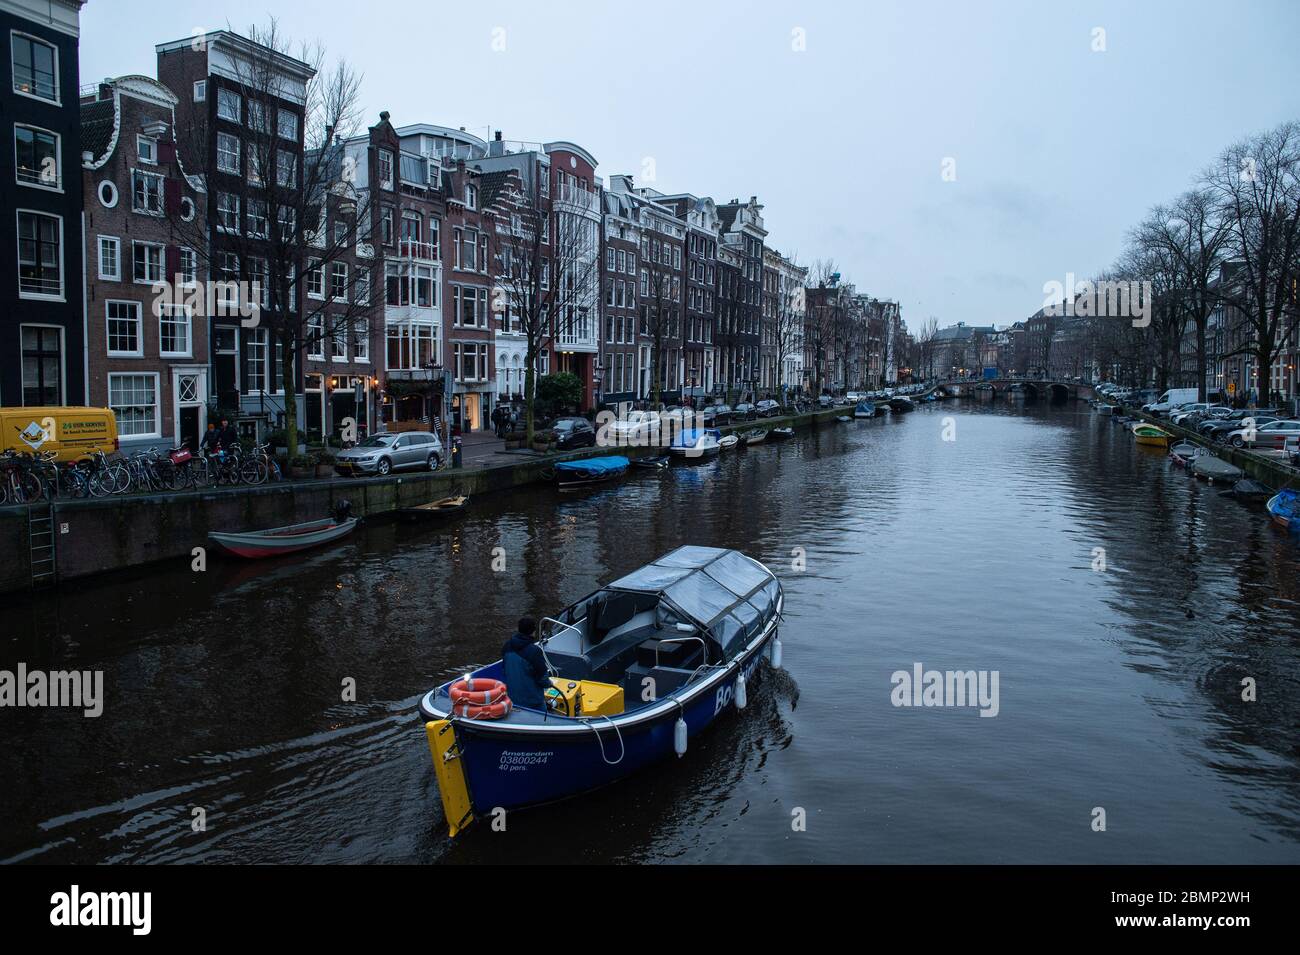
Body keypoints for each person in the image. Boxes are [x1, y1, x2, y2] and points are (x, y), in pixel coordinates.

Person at [501, 616, 551, 710]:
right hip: (533, 703)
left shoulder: (507, 646)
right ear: (533, 632)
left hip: (512, 698)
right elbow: (543, 680)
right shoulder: (535, 651)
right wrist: (550, 684)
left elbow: (504, 671)